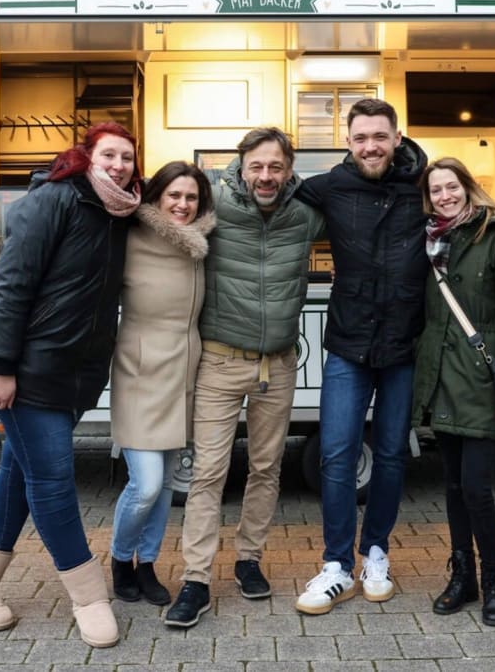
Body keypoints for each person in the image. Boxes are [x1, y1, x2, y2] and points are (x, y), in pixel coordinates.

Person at [294, 98, 495, 615]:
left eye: (379, 136)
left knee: (389, 456)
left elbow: (475, 218)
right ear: (348, 142)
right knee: (337, 455)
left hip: (407, 348)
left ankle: (376, 554)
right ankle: (337, 564)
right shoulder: (329, 186)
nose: (370, 146)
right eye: (360, 138)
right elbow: (260, 193)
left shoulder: (422, 185)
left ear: (397, 137)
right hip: (348, 347)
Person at [0, 122, 141, 649]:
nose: (118, 164)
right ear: (87, 157)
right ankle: (88, 596)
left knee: (19, 476)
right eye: (109, 154)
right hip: (26, 373)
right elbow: (11, 285)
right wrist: (1, 366)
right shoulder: (55, 200)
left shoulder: (120, 215)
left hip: (75, 377)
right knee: (53, 481)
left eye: (128, 157)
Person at [164, 127, 325, 629]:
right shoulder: (212, 199)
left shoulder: (307, 211)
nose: (266, 175)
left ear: (289, 168)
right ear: (241, 165)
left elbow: (373, 205)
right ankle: (195, 579)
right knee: (208, 471)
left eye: (276, 166)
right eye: (257, 165)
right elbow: (161, 215)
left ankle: (249, 560)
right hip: (219, 360)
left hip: (277, 364)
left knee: (266, 467)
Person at [412, 157, 495, 628]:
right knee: (452, 486)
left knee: (477, 490)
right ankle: (462, 576)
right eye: (435, 190)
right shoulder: (429, 242)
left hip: (483, 385)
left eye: (451, 187)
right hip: (442, 379)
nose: (444, 196)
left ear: (467, 187)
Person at [108, 161, 215, 607]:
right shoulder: (129, 238)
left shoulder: (202, 244)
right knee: (146, 484)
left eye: (191, 197)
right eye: (174, 195)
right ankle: (118, 560)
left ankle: (147, 565)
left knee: (168, 483)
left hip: (183, 372)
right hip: (138, 372)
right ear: (156, 196)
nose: (183, 205)